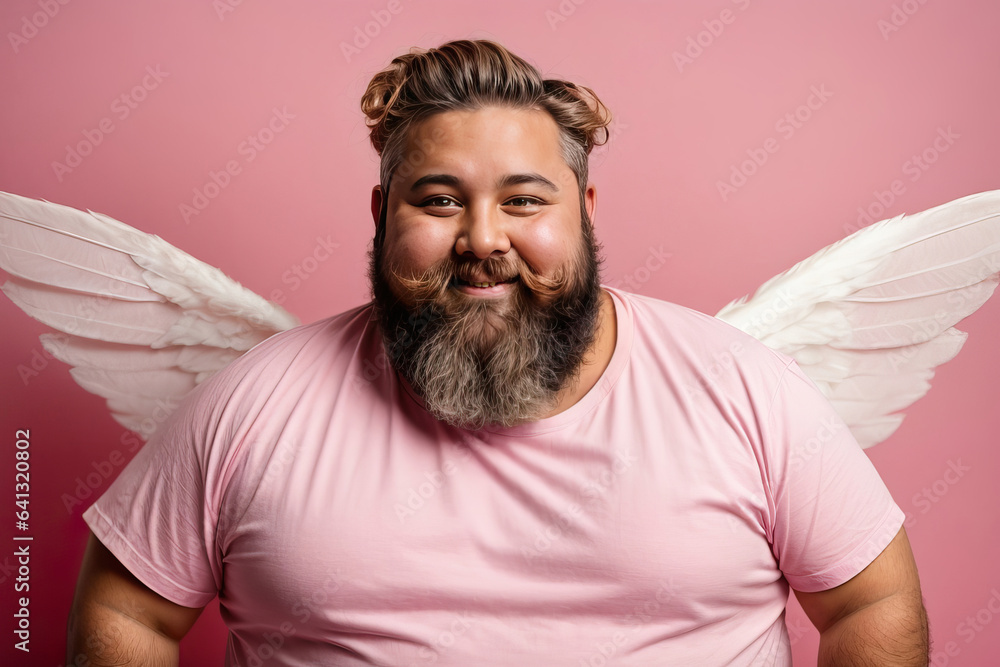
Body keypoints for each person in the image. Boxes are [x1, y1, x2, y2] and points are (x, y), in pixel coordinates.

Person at [67, 39, 929, 665]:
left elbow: (872, 599)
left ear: (586, 209)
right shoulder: (252, 404)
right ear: (381, 213)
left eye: (524, 200)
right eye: (440, 200)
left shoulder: (743, 389)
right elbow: (125, 608)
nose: (483, 240)